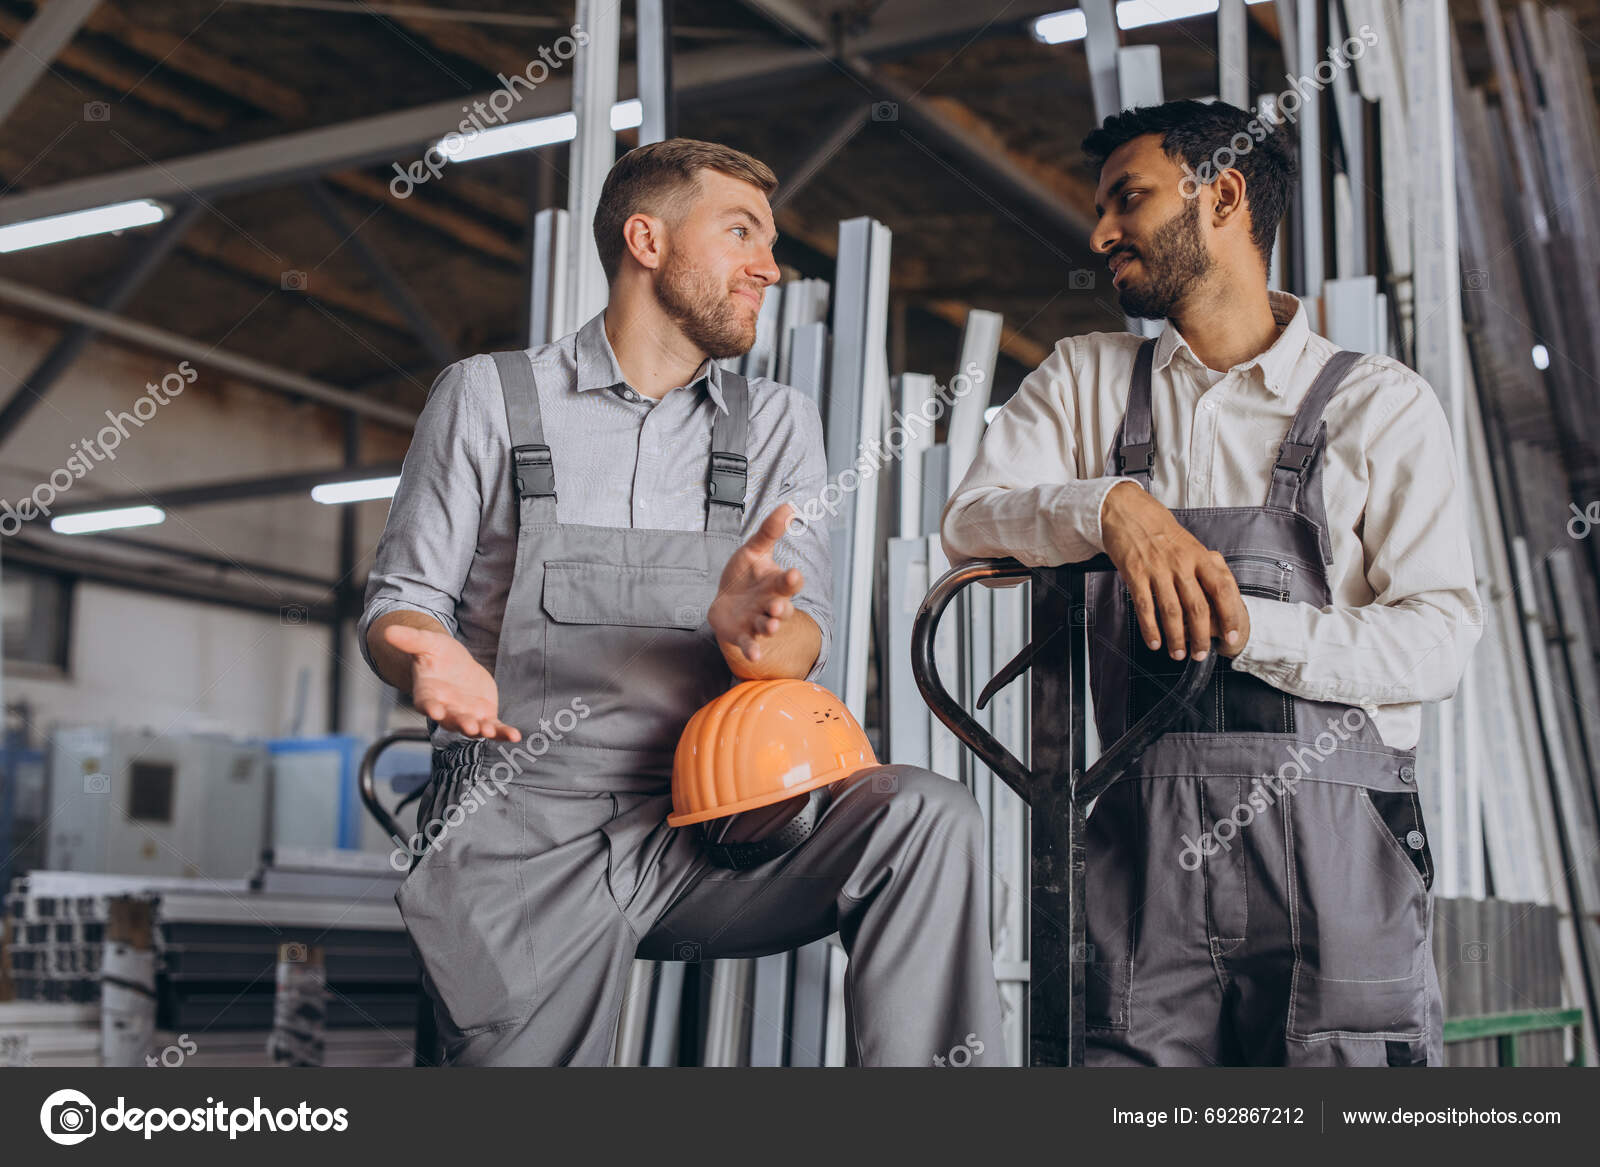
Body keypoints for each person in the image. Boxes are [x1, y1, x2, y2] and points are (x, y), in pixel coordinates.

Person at [362, 138, 1004, 1067]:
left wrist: (754, 635)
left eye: (770, 242)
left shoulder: (775, 420)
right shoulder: (491, 398)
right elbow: (401, 601)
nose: (769, 266)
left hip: (717, 827)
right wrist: (427, 650)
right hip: (520, 834)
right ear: (646, 240)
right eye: (740, 232)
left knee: (928, 816)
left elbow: (805, 637)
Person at [941, 101, 1481, 1066]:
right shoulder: (1086, 383)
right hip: (1140, 864)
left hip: (1339, 861)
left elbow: (1439, 639)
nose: (1102, 232)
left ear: (1222, 194)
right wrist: (1111, 507)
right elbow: (969, 519)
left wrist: (1245, 627)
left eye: (1128, 199)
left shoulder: (1377, 404)